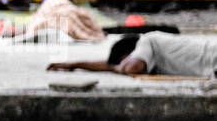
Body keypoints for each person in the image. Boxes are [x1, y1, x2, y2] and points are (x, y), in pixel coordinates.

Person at [47, 31, 217, 78]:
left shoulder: (147, 40)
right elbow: (110, 65)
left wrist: (119, 68)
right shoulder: (157, 45)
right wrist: (74, 65)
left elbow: (132, 68)